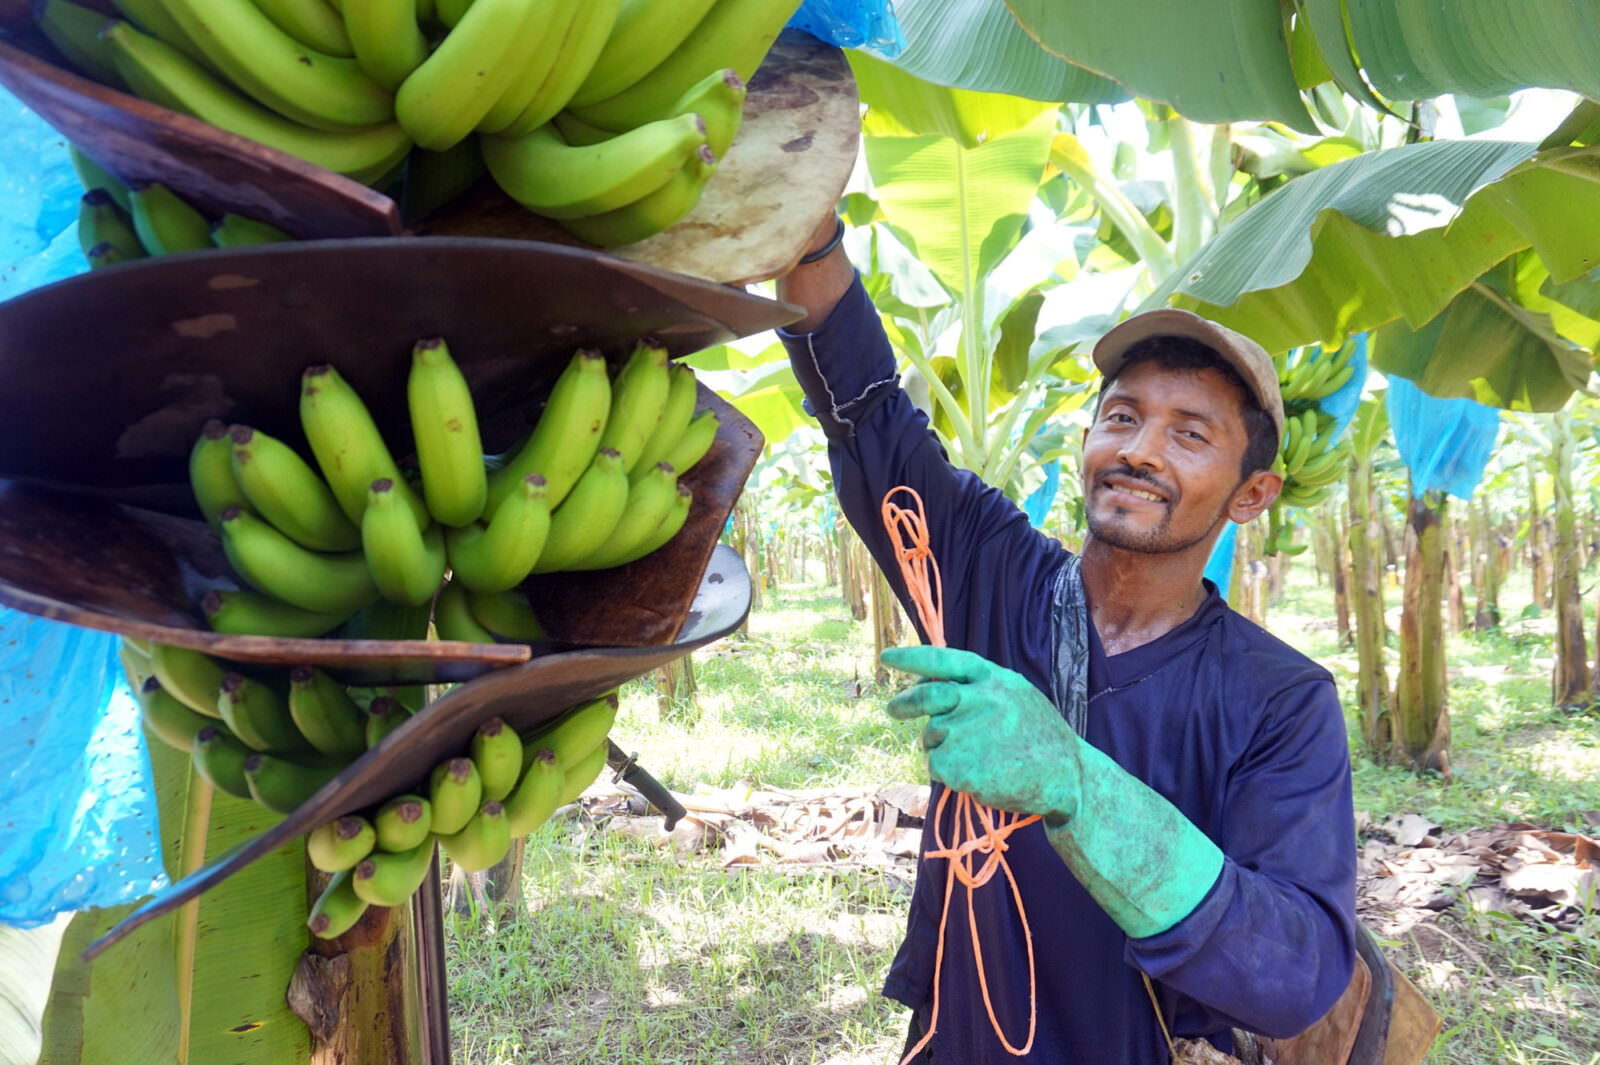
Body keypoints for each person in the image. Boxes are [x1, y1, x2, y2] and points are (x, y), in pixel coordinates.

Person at [774, 215, 1357, 1064]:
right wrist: (809, 227)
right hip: (961, 1038)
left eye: (1190, 434)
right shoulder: (987, 564)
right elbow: (863, 408)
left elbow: (1297, 971)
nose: (1140, 450)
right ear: (1086, 441)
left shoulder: (1280, 699)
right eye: (1121, 417)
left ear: (1251, 493)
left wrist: (1075, 783)